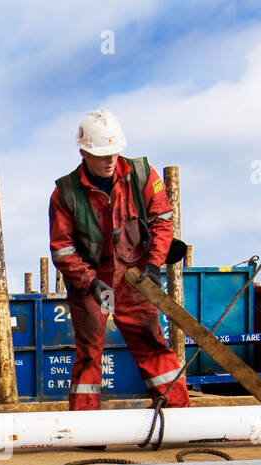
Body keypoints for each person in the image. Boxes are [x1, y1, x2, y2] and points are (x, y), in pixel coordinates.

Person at [49, 108, 190, 415]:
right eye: (102, 155)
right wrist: (89, 282)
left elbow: (162, 222)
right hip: (91, 281)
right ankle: (87, 427)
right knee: (89, 354)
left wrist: (152, 265)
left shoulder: (141, 176)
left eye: (114, 152)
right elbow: (62, 249)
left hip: (134, 276)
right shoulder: (65, 194)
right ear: (84, 152)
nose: (110, 159)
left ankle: (179, 416)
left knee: (152, 344)